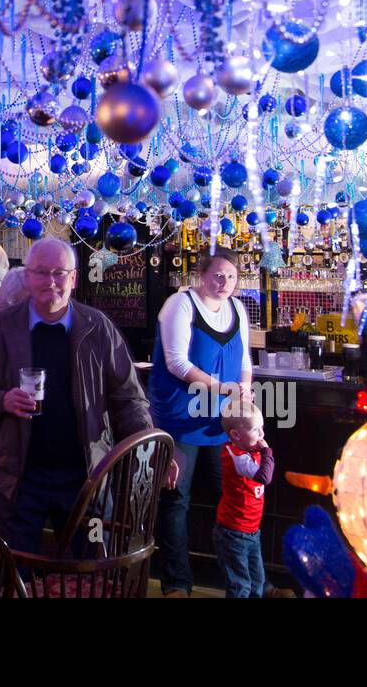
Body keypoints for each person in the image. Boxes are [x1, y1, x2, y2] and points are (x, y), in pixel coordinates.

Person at [0, 237, 153, 555]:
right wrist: (1, 400)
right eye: (41, 272)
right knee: (15, 571)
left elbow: (128, 398)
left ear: (74, 278)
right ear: (27, 276)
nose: (51, 281)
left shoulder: (97, 327)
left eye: (60, 272)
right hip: (19, 477)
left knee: (90, 569)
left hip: (86, 477)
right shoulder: (1, 328)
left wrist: (149, 449)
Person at [150, 246, 253, 597]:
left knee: (234, 498)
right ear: (201, 275)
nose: (224, 282)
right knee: (176, 501)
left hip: (222, 422)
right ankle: (176, 585)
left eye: (231, 276)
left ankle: (246, 582)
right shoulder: (180, 304)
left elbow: (245, 362)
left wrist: (244, 397)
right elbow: (177, 362)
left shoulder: (238, 308)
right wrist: (222, 387)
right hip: (179, 419)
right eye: (217, 275)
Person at [213, 399, 274, 598]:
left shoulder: (248, 449)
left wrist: (260, 450)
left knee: (257, 582)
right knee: (240, 586)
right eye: (256, 430)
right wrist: (267, 452)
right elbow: (264, 477)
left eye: (261, 428)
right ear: (236, 435)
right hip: (233, 533)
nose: (261, 435)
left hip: (251, 531)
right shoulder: (236, 455)